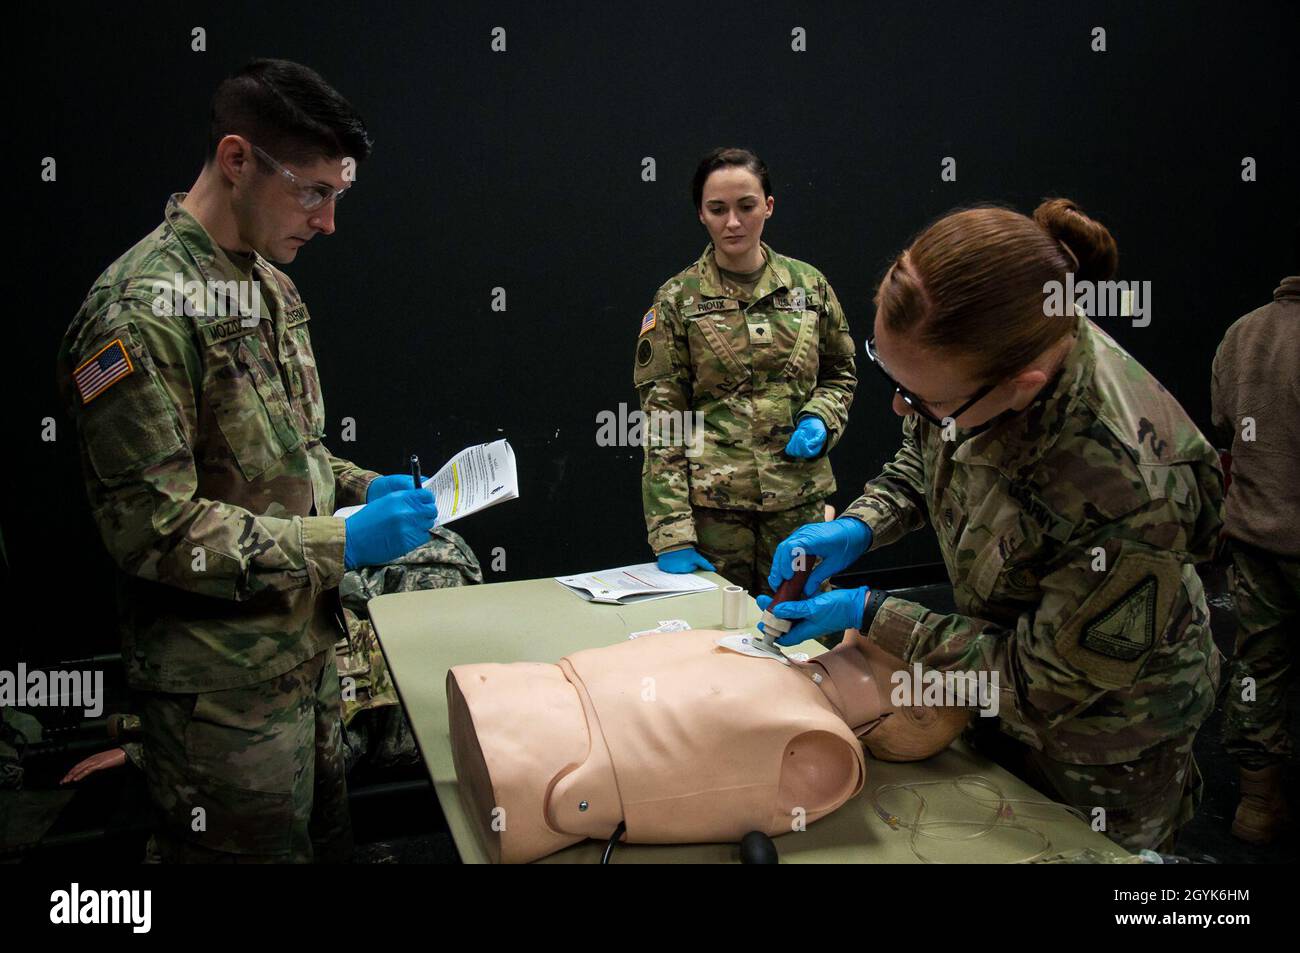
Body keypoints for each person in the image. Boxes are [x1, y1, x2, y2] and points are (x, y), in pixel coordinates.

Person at [56, 59, 439, 862]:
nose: (329, 222)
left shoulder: (270, 285)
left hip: (308, 660)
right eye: (313, 192)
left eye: (340, 195)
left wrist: (368, 489)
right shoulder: (138, 313)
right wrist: (344, 540)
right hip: (219, 707)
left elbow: (290, 455)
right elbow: (153, 530)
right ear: (237, 160)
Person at [760, 200, 1224, 853]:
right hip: (998, 677)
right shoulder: (980, 348)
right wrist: (860, 527)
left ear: (1021, 387)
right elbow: (925, 455)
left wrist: (869, 609)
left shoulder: (1129, 494)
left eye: (922, 398)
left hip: (1101, 742)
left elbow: (1038, 685)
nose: (901, 405)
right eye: (890, 375)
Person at [634, 148, 857, 595]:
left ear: (768, 206)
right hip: (716, 514)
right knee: (717, 643)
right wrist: (672, 533)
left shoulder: (810, 286)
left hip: (799, 501)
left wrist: (821, 417)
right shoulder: (677, 300)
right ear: (701, 214)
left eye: (746, 206)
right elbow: (665, 422)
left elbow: (840, 373)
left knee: (803, 630)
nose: (732, 222)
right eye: (718, 209)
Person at [1211, 272, 1300, 844]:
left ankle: (1256, 805)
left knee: (1259, 667)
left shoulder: (1244, 332)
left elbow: (1224, 424)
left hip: (1258, 538)